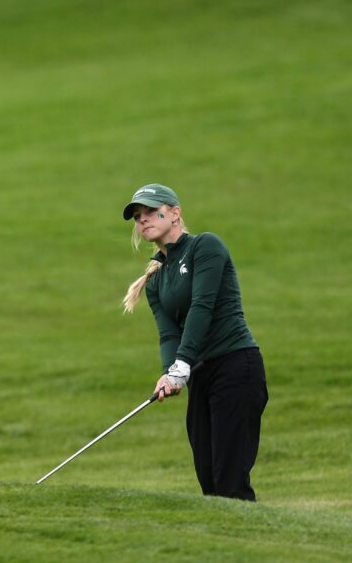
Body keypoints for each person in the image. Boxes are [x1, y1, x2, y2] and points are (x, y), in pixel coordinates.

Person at [121, 183, 268, 501]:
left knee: (230, 483)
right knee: (209, 483)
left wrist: (181, 364)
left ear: (174, 213)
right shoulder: (156, 280)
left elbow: (203, 306)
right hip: (200, 376)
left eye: (151, 211)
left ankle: (247, 545)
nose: (143, 219)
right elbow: (169, 335)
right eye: (137, 216)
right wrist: (168, 371)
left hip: (235, 367)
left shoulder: (206, 247)